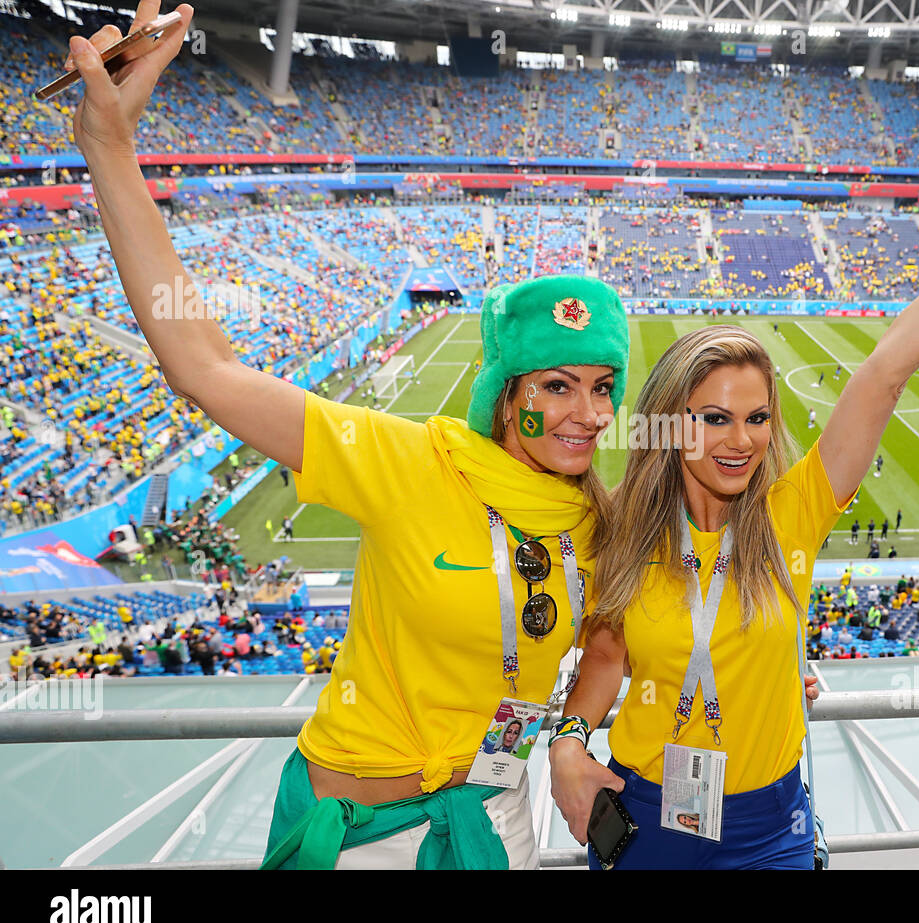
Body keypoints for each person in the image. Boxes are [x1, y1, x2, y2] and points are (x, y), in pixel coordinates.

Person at [63, 5, 632, 871]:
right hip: (358, 829)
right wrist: (110, 146)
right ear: (505, 391)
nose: (586, 413)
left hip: (498, 823)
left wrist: (575, 734)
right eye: (556, 386)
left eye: (601, 388)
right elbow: (203, 366)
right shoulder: (408, 462)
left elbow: (611, 641)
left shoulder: (599, 517)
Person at [547, 79, 919, 869]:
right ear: (672, 422)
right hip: (646, 817)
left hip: (769, 827)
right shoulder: (622, 530)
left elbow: (889, 366)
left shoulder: (793, 509)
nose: (740, 440)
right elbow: (606, 659)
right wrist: (567, 743)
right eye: (714, 417)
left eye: (756, 418)